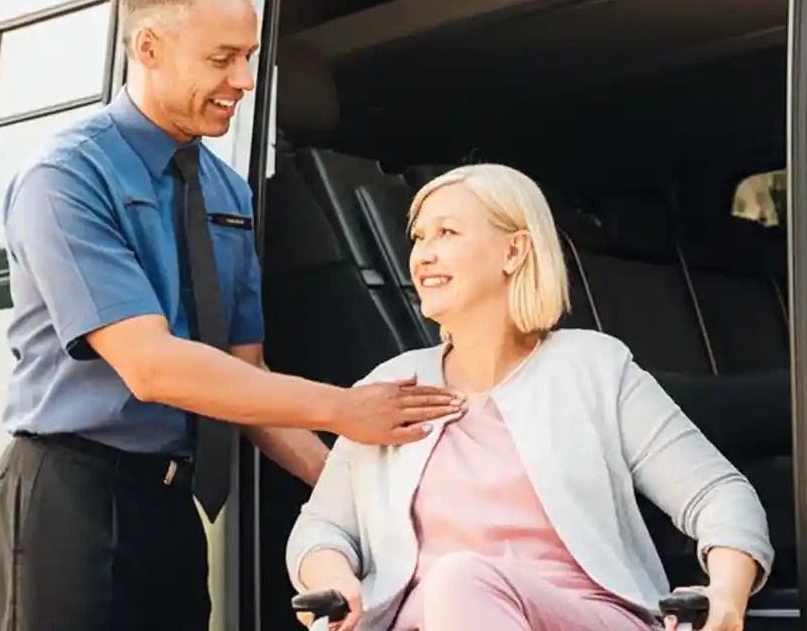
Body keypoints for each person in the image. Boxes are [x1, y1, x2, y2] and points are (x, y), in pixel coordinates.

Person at [0, 0, 464, 631]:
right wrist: (344, 409)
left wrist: (360, 497)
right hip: (72, 498)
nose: (242, 80)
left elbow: (245, 378)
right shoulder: (65, 177)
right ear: (148, 48)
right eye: (222, 59)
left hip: (172, 506)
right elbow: (152, 366)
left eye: (248, 58)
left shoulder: (226, 191)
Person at [286, 164, 774, 631]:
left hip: (583, 617)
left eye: (447, 233)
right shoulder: (391, 385)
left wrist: (726, 595)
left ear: (515, 251)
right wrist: (336, 582)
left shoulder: (593, 368)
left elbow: (718, 495)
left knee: (458, 578)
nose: (423, 254)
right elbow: (322, 529)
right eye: (419, 237)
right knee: (454, 584)